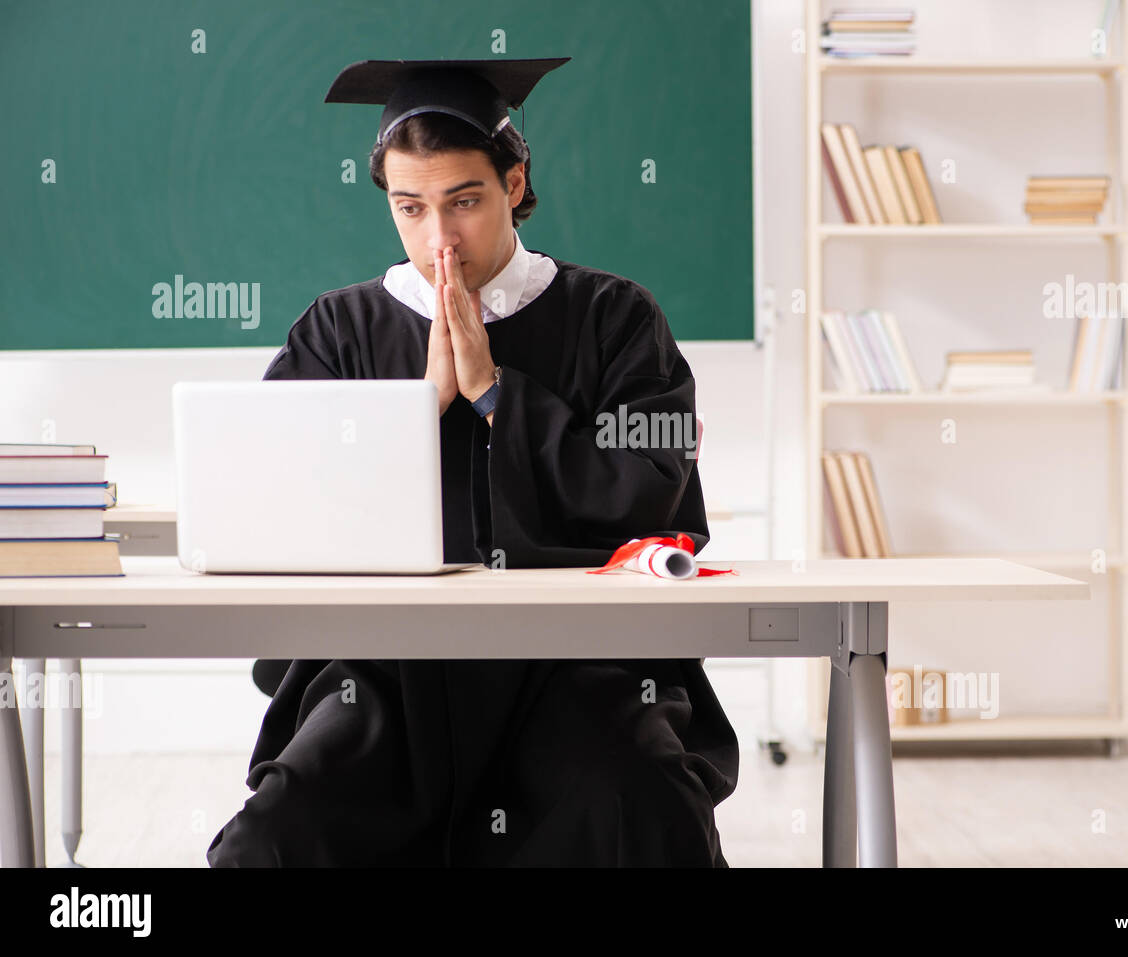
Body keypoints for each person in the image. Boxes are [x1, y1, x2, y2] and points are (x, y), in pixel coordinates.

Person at [206, 57, 739, 866]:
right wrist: (420, 409)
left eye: (465, 202)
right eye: (410, 208)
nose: (439, 239)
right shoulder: (339, 331)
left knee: (640, 803)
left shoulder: (613, 317)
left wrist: (497, 392)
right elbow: (285, 515)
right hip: (383, 671)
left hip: (579, 662)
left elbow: (650, 491)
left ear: (516, 182)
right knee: (279, 831)